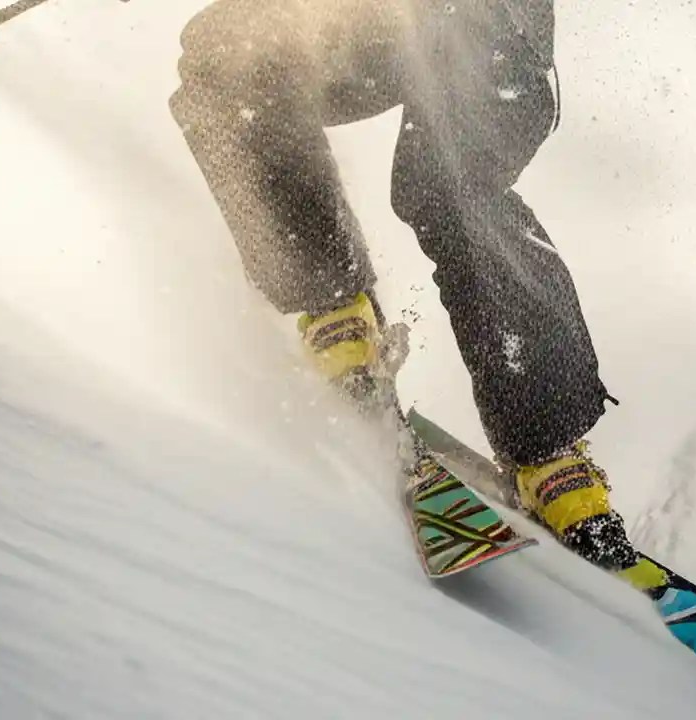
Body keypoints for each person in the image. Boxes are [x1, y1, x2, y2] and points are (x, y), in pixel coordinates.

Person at [169, 0, 665, 589]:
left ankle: (547, 443)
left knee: (443, 178)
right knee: (227, 55)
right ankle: (334, 304)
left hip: (489, 29)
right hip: (368, 22)